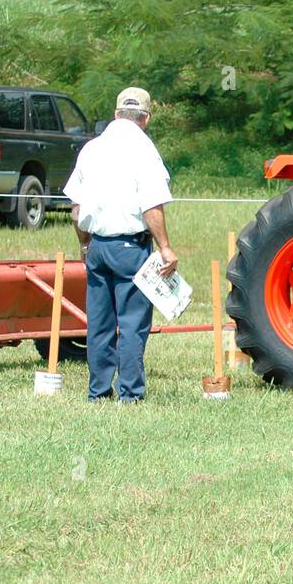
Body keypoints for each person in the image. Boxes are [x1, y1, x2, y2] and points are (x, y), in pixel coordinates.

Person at [64, 87, 179, 403]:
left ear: (115, 115)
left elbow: (76, 208)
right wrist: (165, 247)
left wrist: (85, 244)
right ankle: (130, 394)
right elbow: (152, 207)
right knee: (131, 325)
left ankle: (98, 391)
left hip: (98, 246)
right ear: (146, 119)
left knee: (99, 325)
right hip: (130, 249)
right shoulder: (145, 151)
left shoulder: (91, 149)